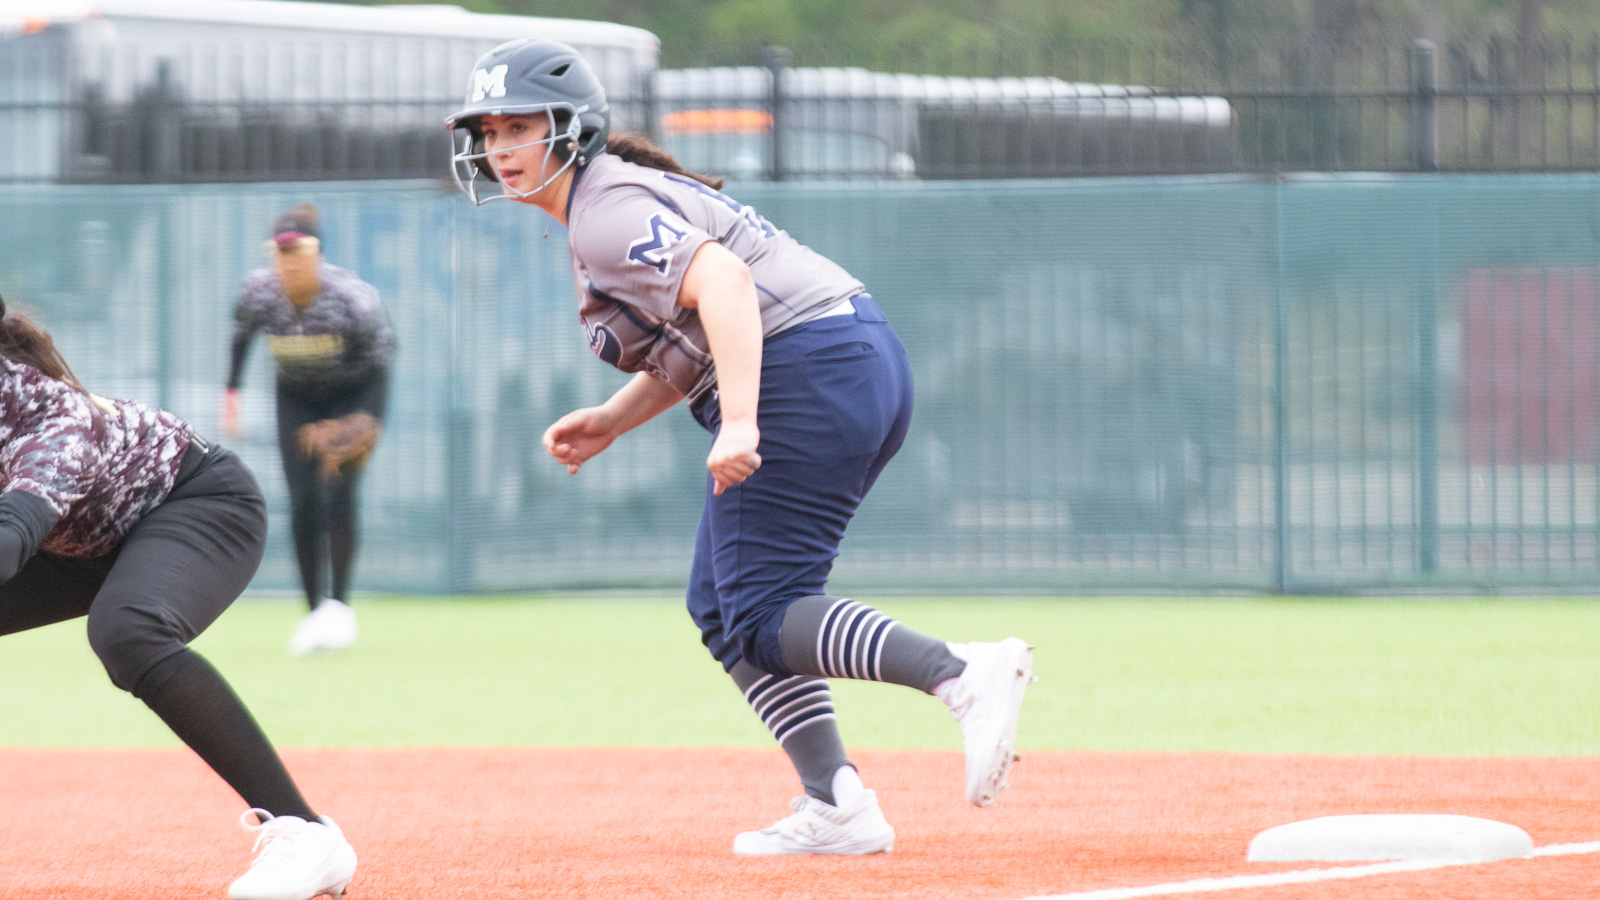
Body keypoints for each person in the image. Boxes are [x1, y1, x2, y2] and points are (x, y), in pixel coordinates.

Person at [446, 39, 1036, 855]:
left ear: (573, 128)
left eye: (520, 127)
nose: (501, 148)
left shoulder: (604, 212)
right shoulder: (609, 198)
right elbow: (698, 336)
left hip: (810, 369)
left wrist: (742, 421)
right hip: (847, 356)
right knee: (725, 608)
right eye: (489, 132)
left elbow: (725, 286)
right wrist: (614, 419)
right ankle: (837, 802)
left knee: (760, 612)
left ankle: (960, 673)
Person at [0, 296, 357, 899]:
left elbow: (11, 540)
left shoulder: (47, 416)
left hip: (197, 503)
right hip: (84, 536)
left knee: (128, 630)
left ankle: (306, 833)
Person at [225, 205, 395, 656]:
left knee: (337, 494)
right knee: (301, 501)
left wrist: (369, 419)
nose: (290, 261)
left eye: (298, 251)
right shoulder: (259, 293)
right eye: (281, 252)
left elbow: (382, 358)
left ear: (317, 253)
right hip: (295, 397)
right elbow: (241, 337)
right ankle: (313, 612)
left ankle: (339, 607)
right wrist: (231, 395)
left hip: (349, 396)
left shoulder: (352, 297)